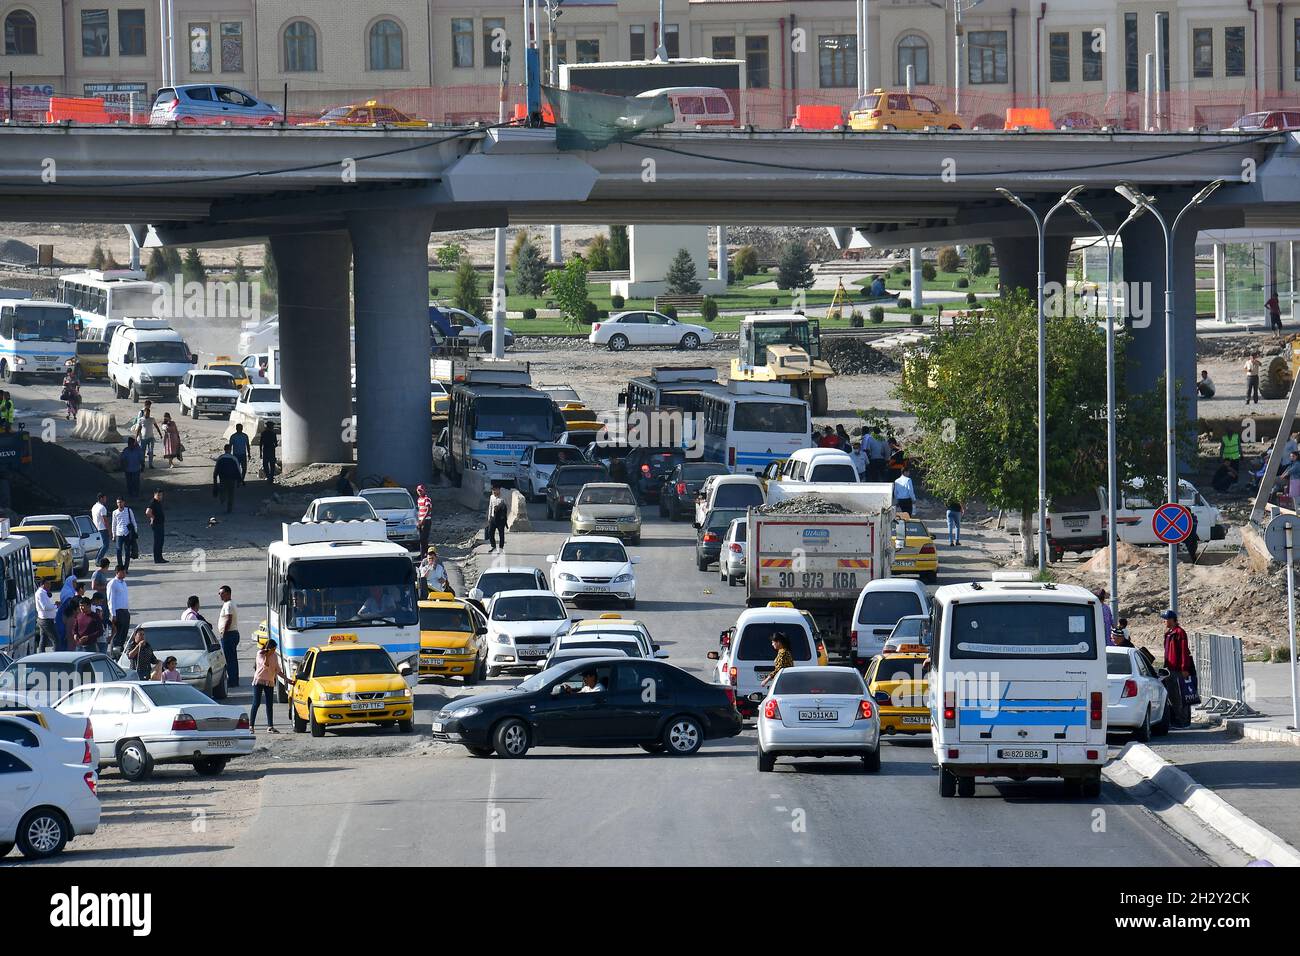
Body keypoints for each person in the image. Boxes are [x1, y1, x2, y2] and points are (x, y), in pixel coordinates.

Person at [1160, 609, 1195, 728]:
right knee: (1173, 697)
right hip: (1170, 669)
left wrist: (1184, 668)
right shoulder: (1169, 633)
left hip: (1179, 671)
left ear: (1171, 620)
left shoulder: (1179, 633)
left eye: (1166, 619)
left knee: (1181, 697)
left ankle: (1183, 721)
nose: (1164, 622)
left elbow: (1184, 651)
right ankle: (1175, 720)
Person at [250, 639, 281, 733]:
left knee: (269, 704)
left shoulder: (275, 656)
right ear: (269, 648)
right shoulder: (260, 653)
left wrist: (287, 680)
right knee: (256, 703)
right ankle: (251, 726)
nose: (274, 651)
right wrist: (267, 655)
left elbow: (277, 670)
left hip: (269, 681)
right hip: (259, 681)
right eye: (273, 649)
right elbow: (265, 665)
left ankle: (270, 726)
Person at [217, 585, 240, 687]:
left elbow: (229, 619)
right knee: (232, 658)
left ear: (228, 593)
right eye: (219, 594)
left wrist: (224, 632)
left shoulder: (228, 605)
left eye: (222, 593)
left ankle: (233, 681)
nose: (220, 595)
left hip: (229, 634)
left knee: (230, 659)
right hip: (231, 634)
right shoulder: (228, 604)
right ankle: (234, 680)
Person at [107, 565, 130, 656]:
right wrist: (113, 614)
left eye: (125, 572)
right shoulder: (113, 583)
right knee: (117, 633)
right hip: (118, 612)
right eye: (123, 572)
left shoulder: (124, 583)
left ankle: (120, 650)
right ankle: (114, 653)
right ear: (117, 572)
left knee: (124, 632)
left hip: (125, 611)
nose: (124, 574)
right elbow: (110, 599)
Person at [56, 580, 84, 652]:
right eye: (81, 608)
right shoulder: (72, 619)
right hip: (70, 650)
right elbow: (71, 639)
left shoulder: (69, 614)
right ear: (77, 608)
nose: (82, 610)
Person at [213, 444, 242, 513]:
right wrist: (239, 480)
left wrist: (215, 478)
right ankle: (229, 508)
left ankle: (222, 499)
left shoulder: (220, 458)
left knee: (223, 490)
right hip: (232, 478)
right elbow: (238, 469)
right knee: (231, 493)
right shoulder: (234, 458)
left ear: (224, 449)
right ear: (230, 450)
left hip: (223, 478)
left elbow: (216, 469)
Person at [111, 497, 138, 570]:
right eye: (118, 503)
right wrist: (113, 535)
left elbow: (133, 521)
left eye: (120, 502)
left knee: (127, 551)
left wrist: (135, 532)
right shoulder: (115, 512)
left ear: (124, 502)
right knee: (118, 550)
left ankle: (126, 568)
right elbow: (114, 524)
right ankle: (120, 567)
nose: (119, 504)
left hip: (127, 534)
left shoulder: (129, 510)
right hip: (119, 534)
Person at [135, 400, 162, 468]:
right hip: (143, 438)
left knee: (151, 451)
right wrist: (136, 437)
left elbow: (156, 426)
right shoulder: (141, 418)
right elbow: (139, 428)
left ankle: (150, 464)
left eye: (148, 413)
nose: (147, 414)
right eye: (146, 413)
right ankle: (142, 464)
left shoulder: (152, 419)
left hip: (151, 438)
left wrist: (160, 434)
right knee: (142, 452)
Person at [35, 578, 58, 651]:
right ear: (43, 584)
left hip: (45, 619)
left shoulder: (44, 592)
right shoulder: (41, 593)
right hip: (46, 620)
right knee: (56, 639)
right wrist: (56, 606)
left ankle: (41, 656)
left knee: (43, 639)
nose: (50, 586)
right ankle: (56, 658)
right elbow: (45, 607)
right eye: (48, 584)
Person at [145, 489, 166, 564]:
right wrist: (152, 517)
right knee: (157, 541)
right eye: (159, 495)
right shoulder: (153, 502)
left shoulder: (158, 502)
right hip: (156, 524)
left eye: (161, 495)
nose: (160, 497)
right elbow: (147, 512)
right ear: (155, 495)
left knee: (161, 541)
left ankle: (160, 557)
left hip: (160, 524)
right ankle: (157, 559)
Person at [485, 484, 508, 553]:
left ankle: (501, 548)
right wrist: (489, 517)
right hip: (493, 518)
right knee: (490, 533)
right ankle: (493, 546)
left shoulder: (503, 498)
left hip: (500, 519)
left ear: (499, 490)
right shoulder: (491, 497)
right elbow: (490, 507)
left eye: (495, 490)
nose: (494, 491)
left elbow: (506, 508)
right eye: (493, 490)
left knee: (501, 534)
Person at [91, 492, 110, 563]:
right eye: (105, 498)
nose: (106, 500)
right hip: (102, 528)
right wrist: (109, 531)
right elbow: (105, 520)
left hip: (96, 528)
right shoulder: (102, 508)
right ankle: (98, 559)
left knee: (100, 545)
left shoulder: (94, 506)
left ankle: (98, 559)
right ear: (101, 498)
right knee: (106, 545)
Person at [416, 484, 434, 555]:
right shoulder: (419, 499)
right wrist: (419, 521)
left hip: (426, 521)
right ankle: (422, 554)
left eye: (421, 490)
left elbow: (428, 509)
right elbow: (420, 511)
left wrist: (423, 519)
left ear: (424, 490)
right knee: (421, 539)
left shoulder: (426, 499)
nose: (420, 492)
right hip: (421, 520)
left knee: (423, 538)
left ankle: (427, 553)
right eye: (419, 490)